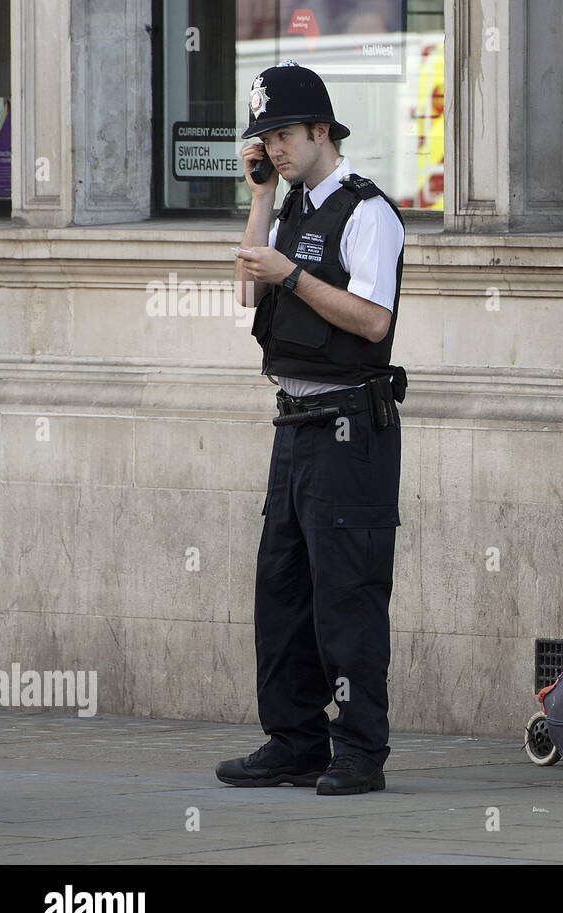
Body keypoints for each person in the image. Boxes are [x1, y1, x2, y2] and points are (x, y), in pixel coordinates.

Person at [215, 63, 407, 796]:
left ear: (321, 131)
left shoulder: (368, 213)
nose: (275, 148)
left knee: (347, 592)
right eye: (264, 138)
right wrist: (260, 200)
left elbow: (372, 319)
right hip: (294, 419)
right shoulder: (287, 204)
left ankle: (359, 749)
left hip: (349, 423)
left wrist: (291, 274)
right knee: (283, 589)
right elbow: (244, 288)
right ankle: (293, 739)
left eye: (284, 136)